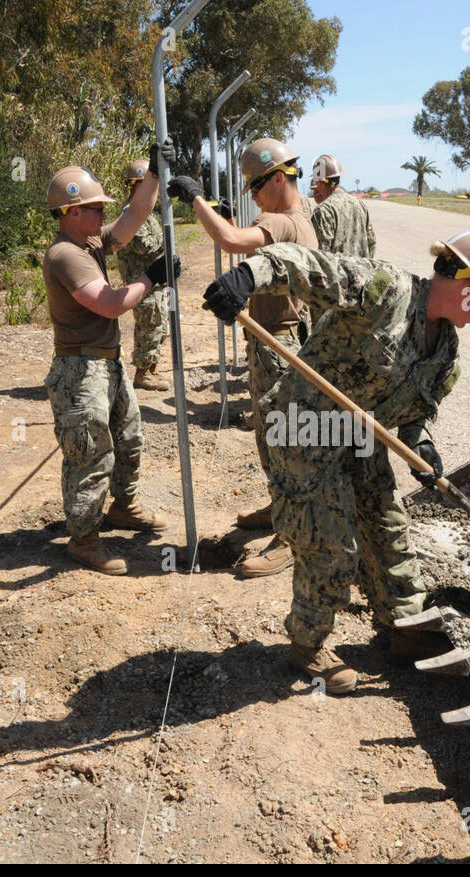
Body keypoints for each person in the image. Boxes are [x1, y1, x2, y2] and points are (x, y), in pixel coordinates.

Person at [201, 230, 470, 694]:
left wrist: (423, 448)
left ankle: (406, 626)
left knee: (387, 527)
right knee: (331, 546)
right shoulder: (385, 290)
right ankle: (308, 645)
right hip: (304, 430)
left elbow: (413, 418)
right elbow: (307, 266)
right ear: (464, 282)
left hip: (361, 443)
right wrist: (249, 275)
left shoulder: (446, 354)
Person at [167, 138, 319, 578]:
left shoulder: (286, 221)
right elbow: (249, 243)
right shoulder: (293, 218)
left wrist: (195, 197)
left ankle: (290, 537)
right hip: (274, 338)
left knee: (286, 440)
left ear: (277, 178)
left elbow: (232, 241)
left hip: (281, 343)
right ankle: (280, 507)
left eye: (254, 188)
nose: (252, 197)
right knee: (271, 437)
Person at [41, 144, 179, 575]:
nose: (103, 214)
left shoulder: (91, 244)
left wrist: (154, 176)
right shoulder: (66, 254)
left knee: (129, 438)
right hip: (80, 371)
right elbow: (110, 304)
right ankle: (83, 537)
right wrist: (150, 278)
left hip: (108, 364)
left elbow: (134, 216)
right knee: (90, 452)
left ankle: (123, 506)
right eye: (94, 208)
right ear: (70, 212)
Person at [114, 158, 171, 392]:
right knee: (149, 324)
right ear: (139, 183)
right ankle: (143, 373)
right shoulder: (131, 211)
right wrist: (167, 240)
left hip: (152, 281)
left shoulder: (144, 211)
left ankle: (150, 367)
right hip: (141, 282)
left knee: (159, 325)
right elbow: (143, 245)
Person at [309, 154, 376, 257]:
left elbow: (321, 256)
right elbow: (371, 242)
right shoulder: (359, 204)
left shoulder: (323, 210)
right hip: (362, 271)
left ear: (321, 182)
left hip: (337, 273)